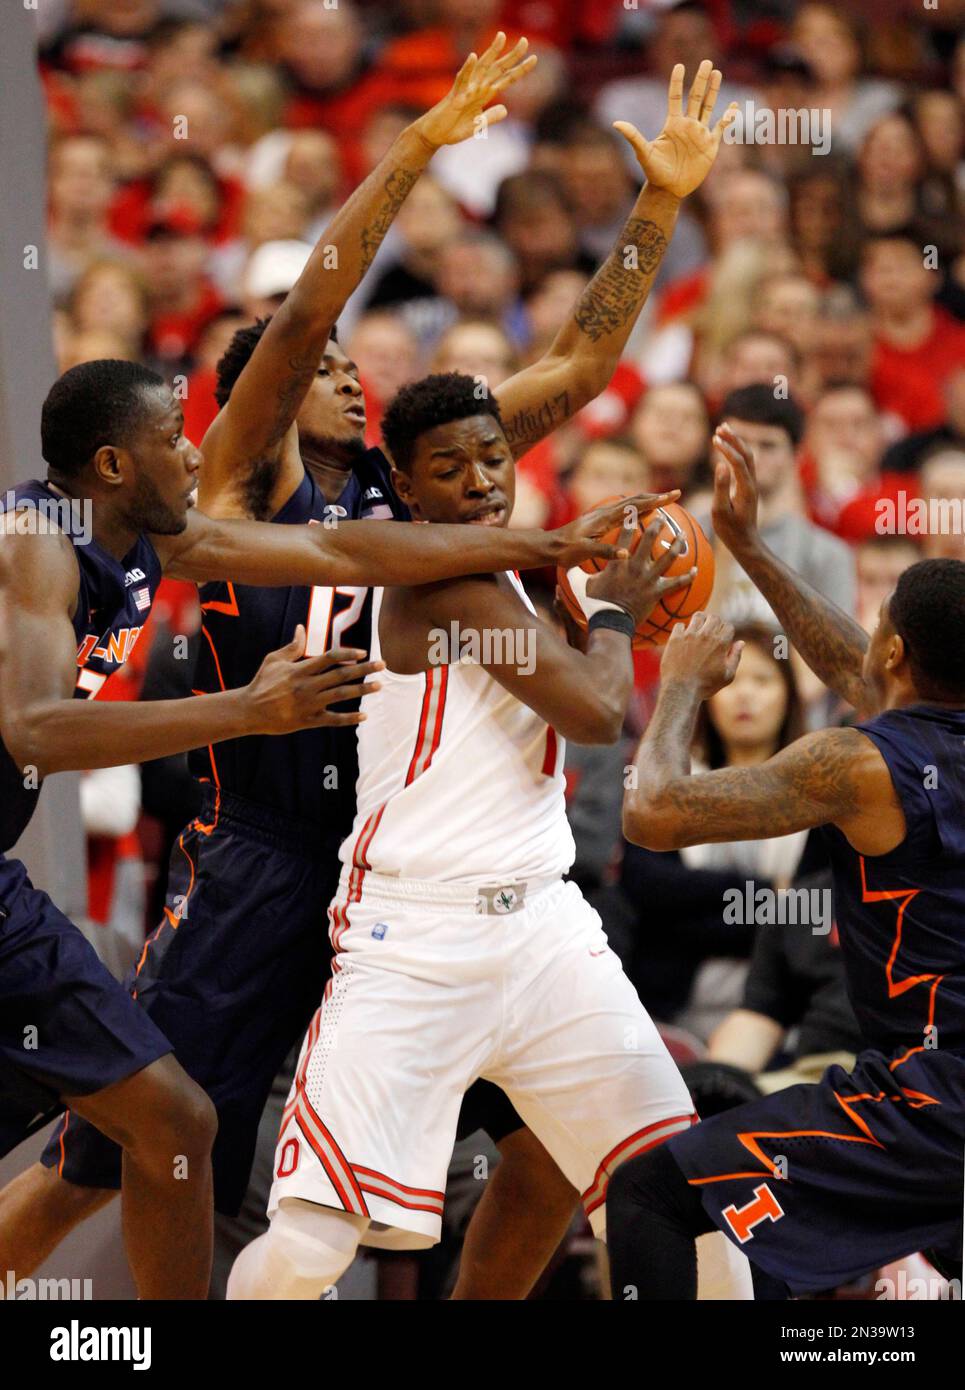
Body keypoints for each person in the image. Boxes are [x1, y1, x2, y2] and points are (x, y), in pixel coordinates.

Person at [7, 41, 732, 1302]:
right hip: (263, 866)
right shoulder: (238, 484)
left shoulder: (417, 491)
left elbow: (576, 365)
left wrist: (658, 203)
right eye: (324, 368)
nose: (343, 370)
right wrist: (412, 155)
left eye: (357, 367)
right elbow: (298, 317)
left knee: (548, 1149)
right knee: (123, 1145)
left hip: (420, 877)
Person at [225, 366, 750, 1301]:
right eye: (448, 466)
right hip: (412, 939)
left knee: (691, 1208)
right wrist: (618, 611)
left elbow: (575, 657)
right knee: (309, 1247)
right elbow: (594, 713)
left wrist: (592, 588)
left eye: (492, 457)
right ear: (407, 484)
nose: (477, 480)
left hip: (547, 935)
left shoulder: (515, 574)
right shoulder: (439, 585)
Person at [608, 423, 965, 1299]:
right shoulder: (909, 731)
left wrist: (683, 683)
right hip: (933, 1088)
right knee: (780, 1254)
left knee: (652, 1192)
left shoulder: (854, 762)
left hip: (929, 1101)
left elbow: (650, 814)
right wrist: (749, 549)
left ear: (895, 651)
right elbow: (863, 666)